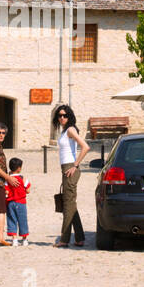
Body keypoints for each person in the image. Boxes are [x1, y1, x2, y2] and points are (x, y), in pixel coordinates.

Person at [52, 104, 89, 248]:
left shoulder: (71, 130)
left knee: (68, 204)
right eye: (60, 115)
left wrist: (75, 165)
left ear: (69, 116)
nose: (62, 118)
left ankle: (64, 239)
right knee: (70, 204)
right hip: (65, 168)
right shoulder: (64, 131)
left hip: (70, 168)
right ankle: (79, 238)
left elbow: (85, 147)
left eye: (64, 115)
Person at [4, 158, 30, 246]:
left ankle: (14, 239)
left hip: (10, 203)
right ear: (19, 168)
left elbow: (6, 191)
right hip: (21, 202)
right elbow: (28, 190)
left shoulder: (8, 179)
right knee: (23, 220)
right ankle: (24, 239)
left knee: (11, 220)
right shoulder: (22, 178)